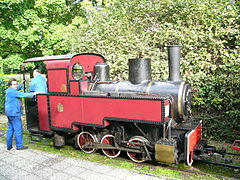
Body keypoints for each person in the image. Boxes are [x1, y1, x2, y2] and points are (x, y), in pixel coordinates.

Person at [5, 78, 37, 150]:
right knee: (18, 129)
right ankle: (19, 146)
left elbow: (17, 88)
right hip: (14, 113)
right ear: (10, 85)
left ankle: (9, 145)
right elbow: (23, 94)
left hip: (9, 113)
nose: (16, 86)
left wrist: (21, 84)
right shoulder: (13, 92)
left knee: (10, 129)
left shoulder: (9, 90)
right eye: (14, 84)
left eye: (16, 84)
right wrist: (33, 94)